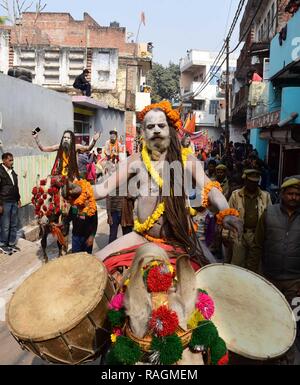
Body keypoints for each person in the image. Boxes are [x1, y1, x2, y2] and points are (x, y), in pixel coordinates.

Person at [94, 101, 242, 265]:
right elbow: (102, 189)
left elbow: (211, 189)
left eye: (161, 125)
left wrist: (226, 212)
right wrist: (79, 189)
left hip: (183, 238)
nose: (156, 129)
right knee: (97, 262)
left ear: (170, 130)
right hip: (143, 237)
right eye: (151, 127)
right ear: (144, 132)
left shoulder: (187, 160)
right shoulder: (136, 160)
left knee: (214, 277)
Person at [250, 176, 300, 364]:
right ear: (282, 194)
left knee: (293, 320)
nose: (294, 197)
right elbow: (257, 245)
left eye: (297, 194)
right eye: (290, 193)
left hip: (295, 282)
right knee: (268, 316)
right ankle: (268, 353)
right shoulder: (269, 213)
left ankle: (288, 357)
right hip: (269, 278)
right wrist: (252, 275)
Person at [228, 169, 272, 268]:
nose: (253, 184)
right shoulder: (236, 195)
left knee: (255, 264)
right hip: (239, 234)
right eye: (251, 182)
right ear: (245, 181)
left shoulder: (265, 196)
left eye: (255, 182)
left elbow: (269, 217)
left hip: (257, 235)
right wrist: (226, 235)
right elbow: (229, 214)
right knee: (237, 265)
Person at [33, 130, 100, 180]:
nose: (66, 139)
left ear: (72, 140)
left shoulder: (76, 147)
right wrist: (37, 139)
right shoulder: (60, 146)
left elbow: (88, 148)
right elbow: (43, 149)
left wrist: (94, 141)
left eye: (68, 138)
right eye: (64, 137)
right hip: (61, 176)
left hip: (73, 176)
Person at [63, 181, 98, 255]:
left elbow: (95, 222)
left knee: (86, 258)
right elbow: (69, 218)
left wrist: (92, 236)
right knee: (76, 258)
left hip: (87, 237)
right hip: (76, 237)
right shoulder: (74, 206)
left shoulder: (91, 205)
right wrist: (61, 223)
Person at [0, 153, 21, 254]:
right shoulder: (0, 171)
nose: (12, 162)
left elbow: (15, 187)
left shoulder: (12, 171)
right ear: (4, 160)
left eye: (12, 160)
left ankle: (11, 244)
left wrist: (18, 199)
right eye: (10, 160)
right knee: (5, 225)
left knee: (13, 224)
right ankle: (3, 244)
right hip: (5, 202)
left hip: (14, 201)